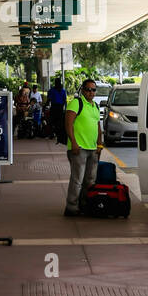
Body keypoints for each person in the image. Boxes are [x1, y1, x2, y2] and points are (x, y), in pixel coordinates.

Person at [63, 78, 103, 216]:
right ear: (82, 90)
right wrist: (73, 142)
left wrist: (99, 144)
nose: (91, 92)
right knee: (77, 180)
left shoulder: (95, 106)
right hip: (78, 148)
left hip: (93, 149)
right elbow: (68, 123)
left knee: (90, 181)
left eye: (93, 89)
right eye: (88, 89)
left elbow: (98, 126)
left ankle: (85, 205)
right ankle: (71, 207)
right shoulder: (76, 103)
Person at [47, 76, 67, 143]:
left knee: (52, 121)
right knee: (60, 122)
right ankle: (59, 135)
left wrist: (45, 105)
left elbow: (49, 99)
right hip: (60, 107)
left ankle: (52, 134)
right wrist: (64, 107)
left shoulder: (52, 90)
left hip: (54, 107)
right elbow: (65, 100)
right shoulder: (63, 90)